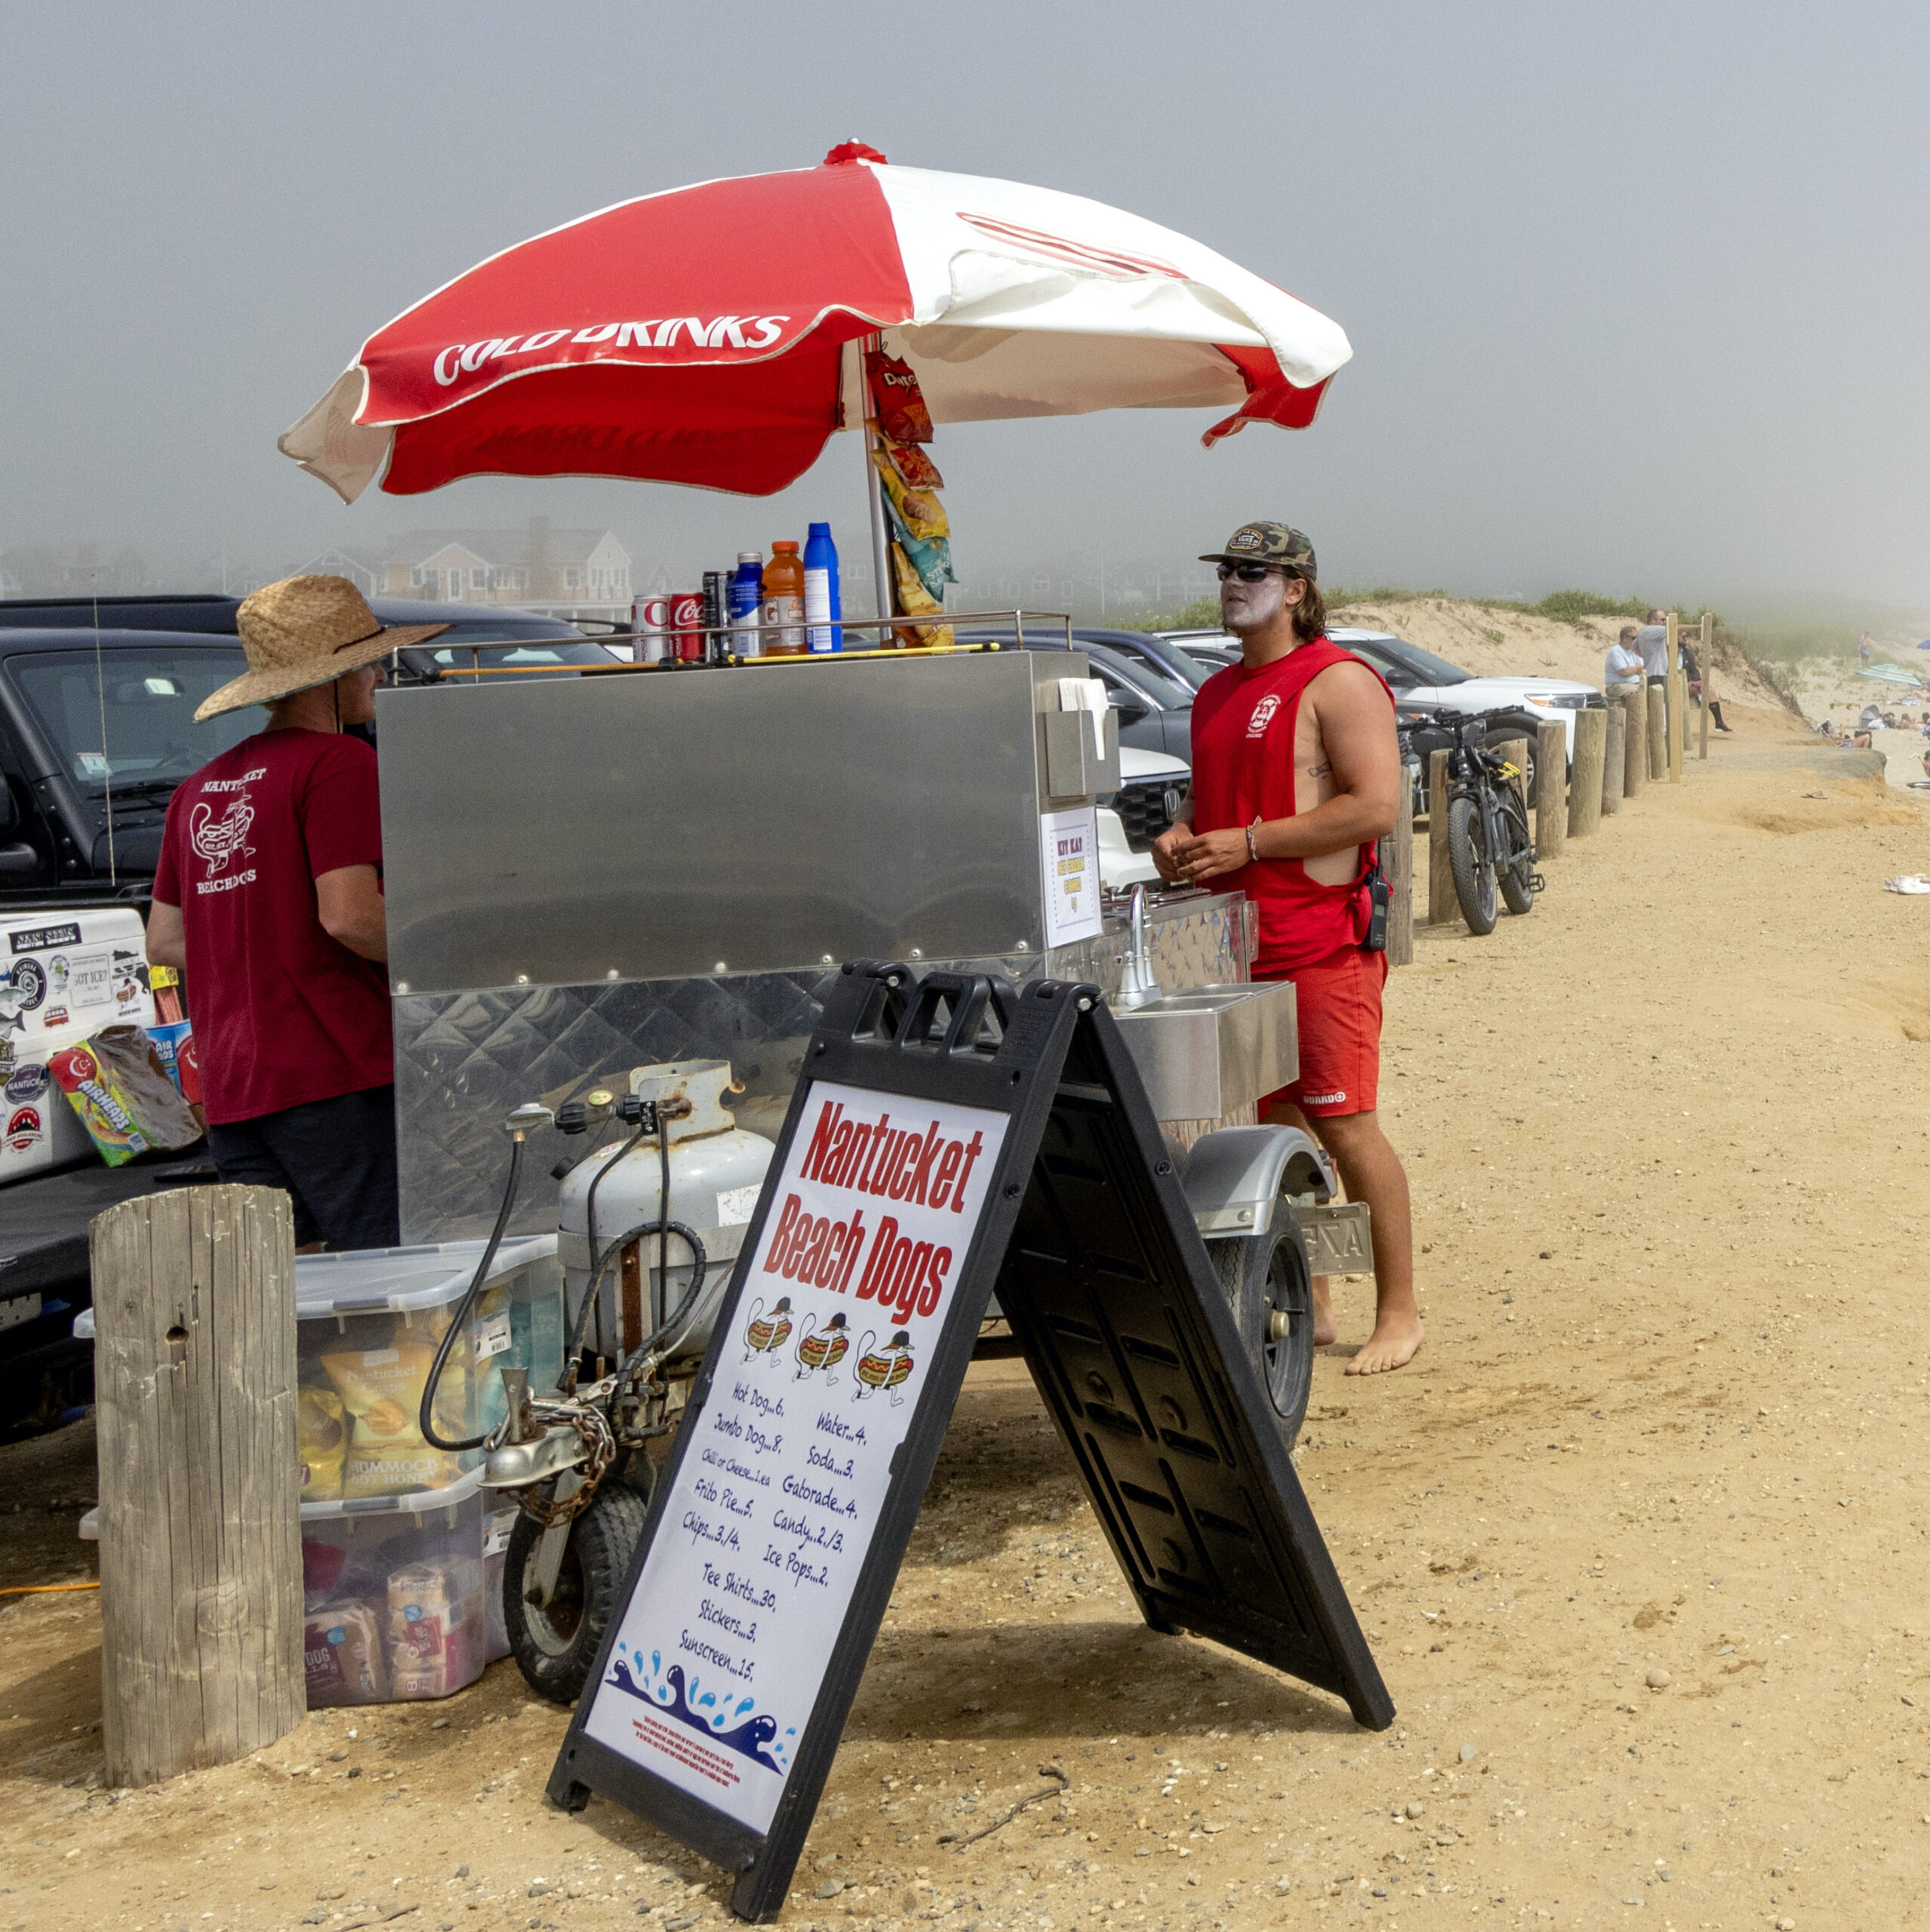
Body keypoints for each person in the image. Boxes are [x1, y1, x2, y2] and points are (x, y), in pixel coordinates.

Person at [1150, 522, 1421, 1376]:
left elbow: (1375, 806)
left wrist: (1251, 844)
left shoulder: (1337, 681)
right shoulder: (1215, 692)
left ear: (1296, 588)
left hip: (1319, 943)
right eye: (1225, 569)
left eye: (1252, 571)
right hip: (1236, 945)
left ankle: (1401, 1309)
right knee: (1276, 1133)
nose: (1232, 582)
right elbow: (1214, 808)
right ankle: (1322, 1302)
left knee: (1346, 1127)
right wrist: (1183, 838)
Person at [145, 577, 448, 1251]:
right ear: (328, 678)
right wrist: (445, 962)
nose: (376, 673)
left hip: (233, 1090)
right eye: (367, 660)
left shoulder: (198, 788)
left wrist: (266, 940)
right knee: (385, 1280)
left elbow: (165, 941)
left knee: (287, 1296)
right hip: (335, 1073)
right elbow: (349, 917)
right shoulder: (338, 762)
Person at [1604, 626, 1645, 695]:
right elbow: (1623, 672)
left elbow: (1641, 669)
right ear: (1625, 638)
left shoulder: (1634, 651)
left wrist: (1634, 669)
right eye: (1634, 638)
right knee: (1635, 694)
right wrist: (1636, 669)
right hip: (1618, 685)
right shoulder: (1616, 651)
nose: (1636, 641)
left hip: (1635, 684)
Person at [1634, 608, 1670, 685]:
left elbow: (1633, 646)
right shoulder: (1653, 630)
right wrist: (1698, 627)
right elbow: (1674, 629)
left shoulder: (1643, 632)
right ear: (1653, 620)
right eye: (1663, 620)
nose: (1665, 623)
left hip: (1649, 674)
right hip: (1657, 674)